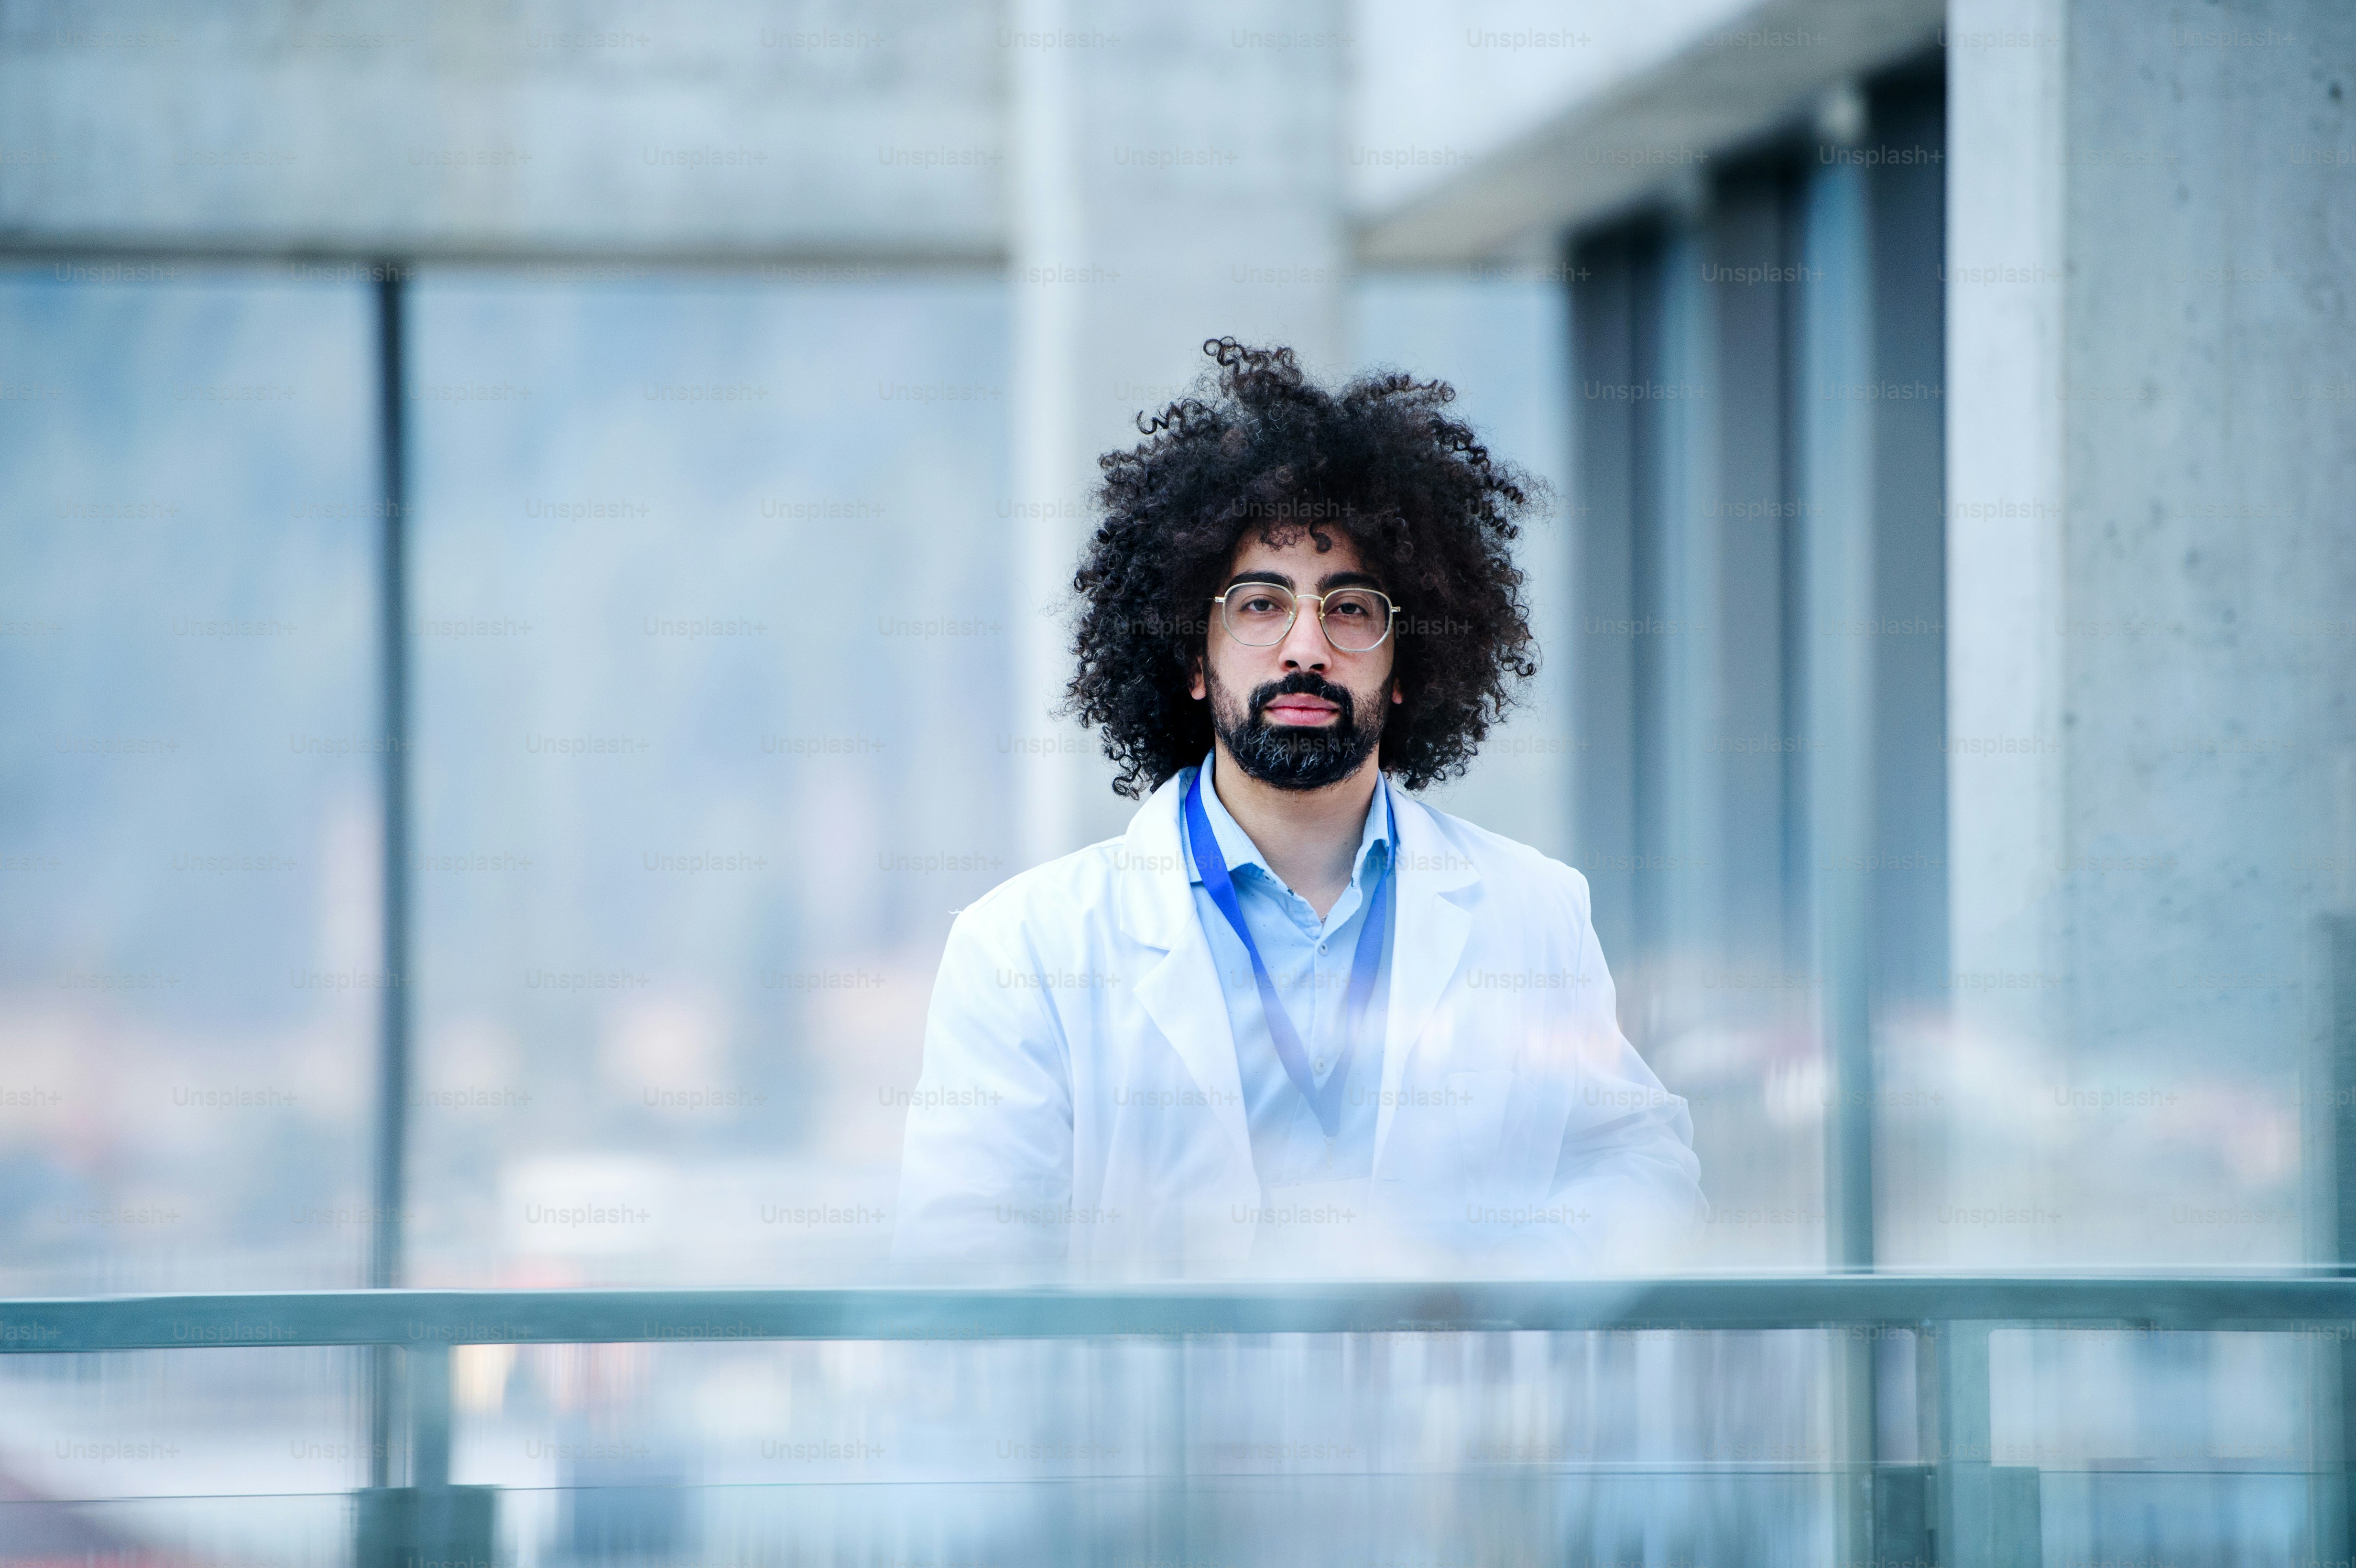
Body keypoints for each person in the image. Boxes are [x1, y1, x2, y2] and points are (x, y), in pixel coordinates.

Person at [894, 339, 1702, 1277]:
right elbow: (964, 1256)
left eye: (1351, 607)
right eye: (1259, 605)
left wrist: (1490, 1277)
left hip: (1445, 1415)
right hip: (1163, 1425)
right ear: (1193, 658)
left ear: (1407, 667)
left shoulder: (1535, 909)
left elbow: (1641, 1168)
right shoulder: (1024, 945)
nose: (1306, 647)